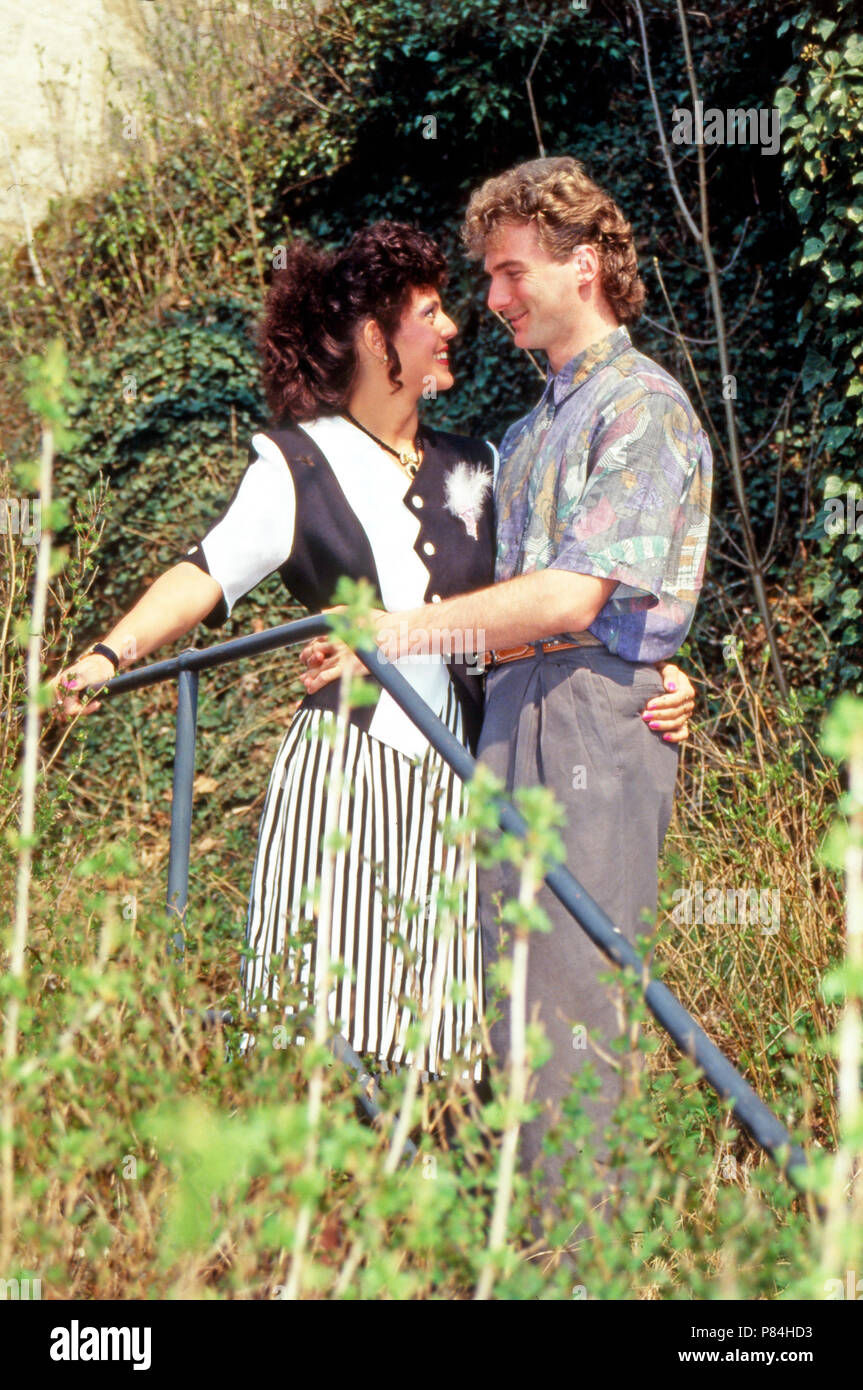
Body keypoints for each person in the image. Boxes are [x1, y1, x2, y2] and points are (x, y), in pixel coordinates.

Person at [52, 218, 694, 1088]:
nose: (455, 325)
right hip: (345, 776)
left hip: (467, 780)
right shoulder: (296, 464)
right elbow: (205, 570)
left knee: (445, 1051)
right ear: (373, 336)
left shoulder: (482, 465)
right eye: (429, 312)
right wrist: (108, 654)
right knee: (331, 1032)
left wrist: (648, 664)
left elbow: (557, 593)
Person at [305, 161, 712, 1213]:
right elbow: (509, 603)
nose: (491, 298)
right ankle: (522, 1245)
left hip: (593, 717)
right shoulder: (527, 436)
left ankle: (585, 1261)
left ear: (584, 266)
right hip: (507, 714)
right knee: (507, 994)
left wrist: (647, 666)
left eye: (508, 272)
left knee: (577, 995)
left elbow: (573, 598)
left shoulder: (644, 408)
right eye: (485, 276)